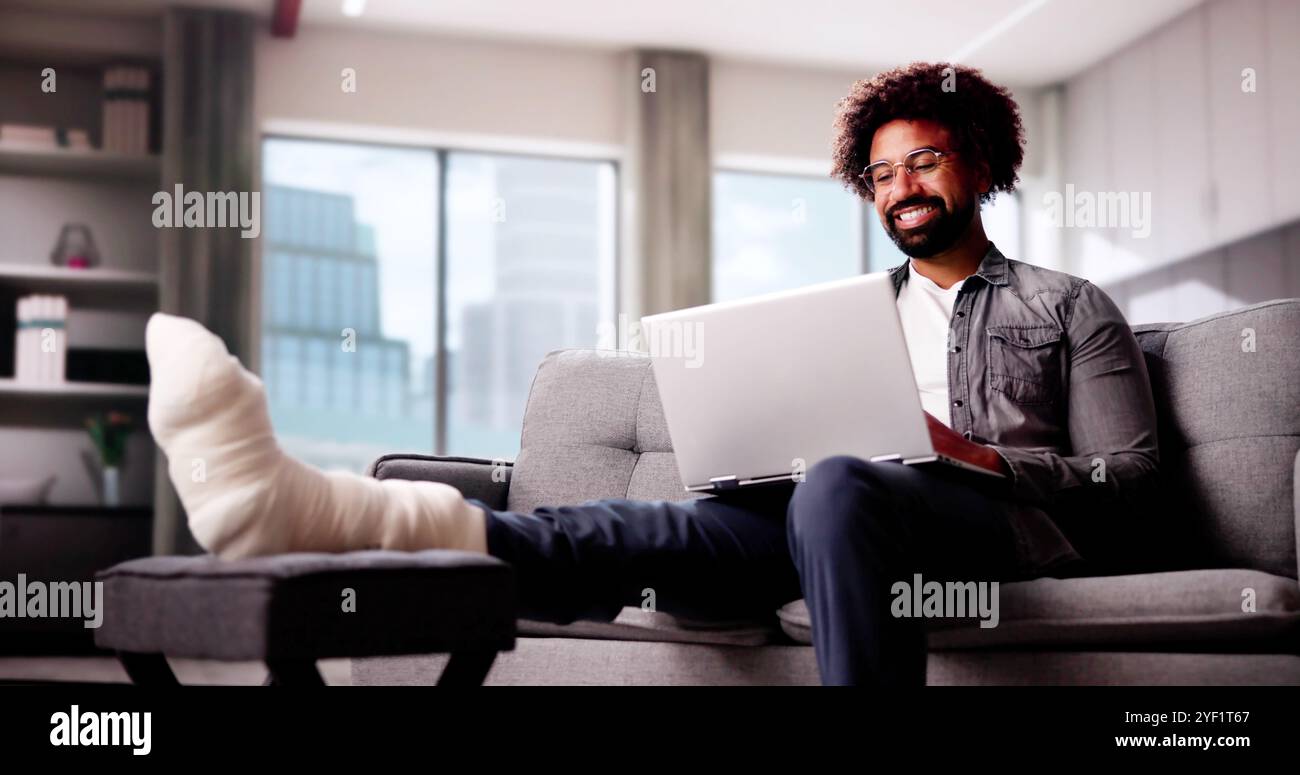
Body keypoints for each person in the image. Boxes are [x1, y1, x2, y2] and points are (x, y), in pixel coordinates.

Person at [144, 62, 1159, 685]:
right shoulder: (851, 314)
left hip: (994, 523)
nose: (900, 188)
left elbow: (1130, 474)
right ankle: (322, 511)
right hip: (831, 507)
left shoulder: (1068, 306)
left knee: (845, 478)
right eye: (883, 173)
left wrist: (973, 453)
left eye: (925, 162)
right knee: (643, 523)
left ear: (979, 166)